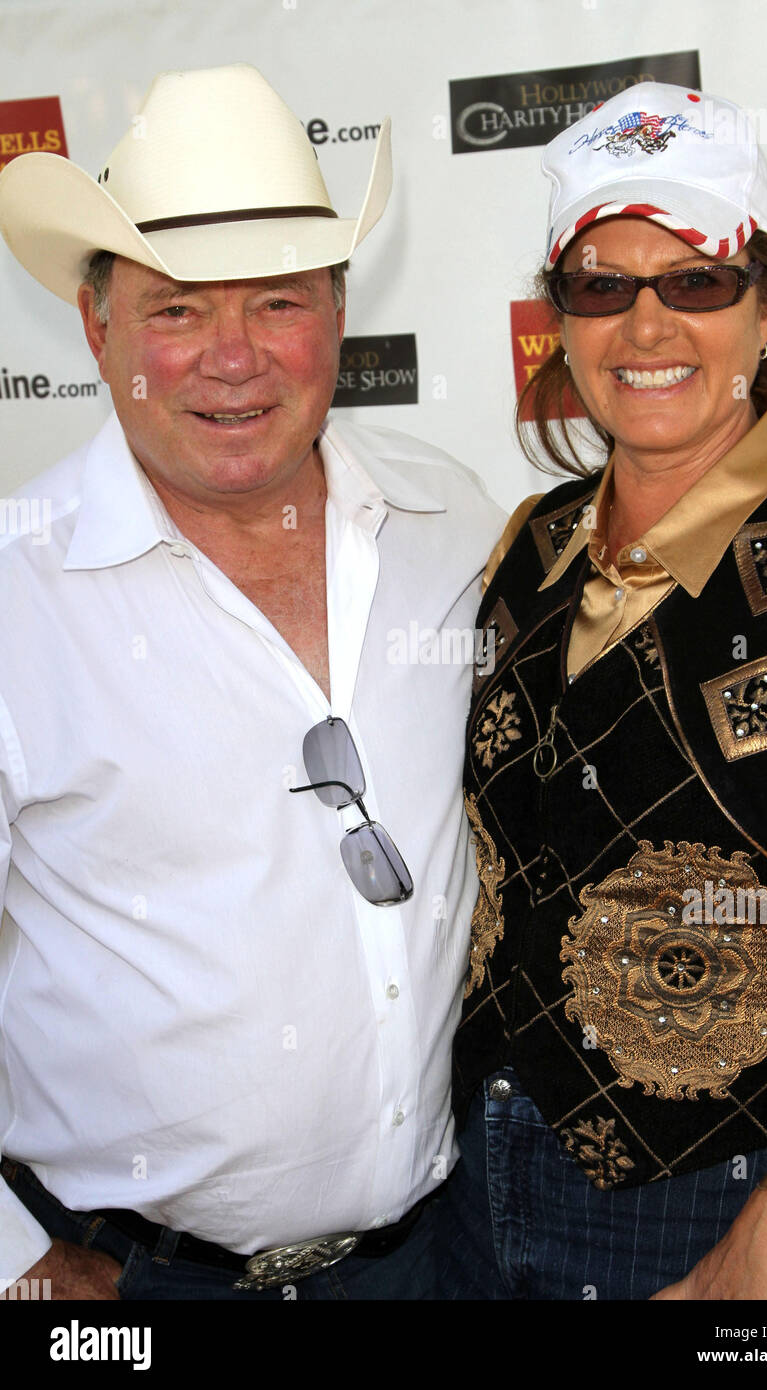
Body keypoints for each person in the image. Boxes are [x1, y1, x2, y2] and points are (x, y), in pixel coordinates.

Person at [0, 63, 503, 1300]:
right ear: (96, 326)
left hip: (433, 1263)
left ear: (339, 311)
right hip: (123, 1284)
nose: (232, 358)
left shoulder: (455, 521)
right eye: (177, 309)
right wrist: (16, 1262)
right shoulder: (17, 595)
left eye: (277, 301)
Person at [435, 81, 767, 1300]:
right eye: (602, 284)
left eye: (695, 280)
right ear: (560, 317)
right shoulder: (528, 545)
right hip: (470, 1193)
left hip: (717, 1209)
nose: (647, 326)